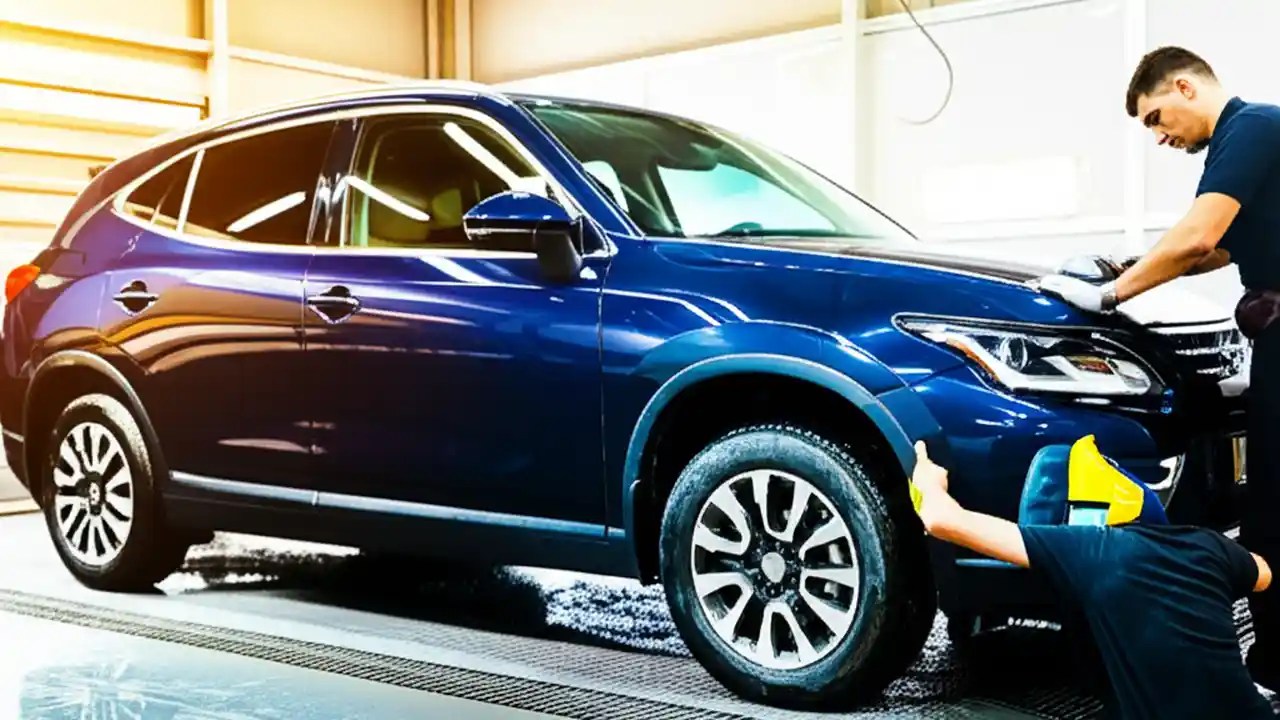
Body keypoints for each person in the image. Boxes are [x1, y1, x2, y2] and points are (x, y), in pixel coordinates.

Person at [1035, 45, 1280, 690]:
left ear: (1184, 87)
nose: (1158, 136)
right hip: (1270, 339)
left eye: (1155, 118)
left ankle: (1273, 670)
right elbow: (1217, 250)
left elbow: (1199, 237)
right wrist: (1134, 265)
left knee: (1273, 513)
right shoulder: (1252, 136)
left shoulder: (1251, 126)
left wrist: (1112, 295)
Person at [910, 437, 1276, 719]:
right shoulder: (1208, 545)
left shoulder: (1092, 549)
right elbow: (1264, 574)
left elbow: (942, 520)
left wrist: (928, 477)